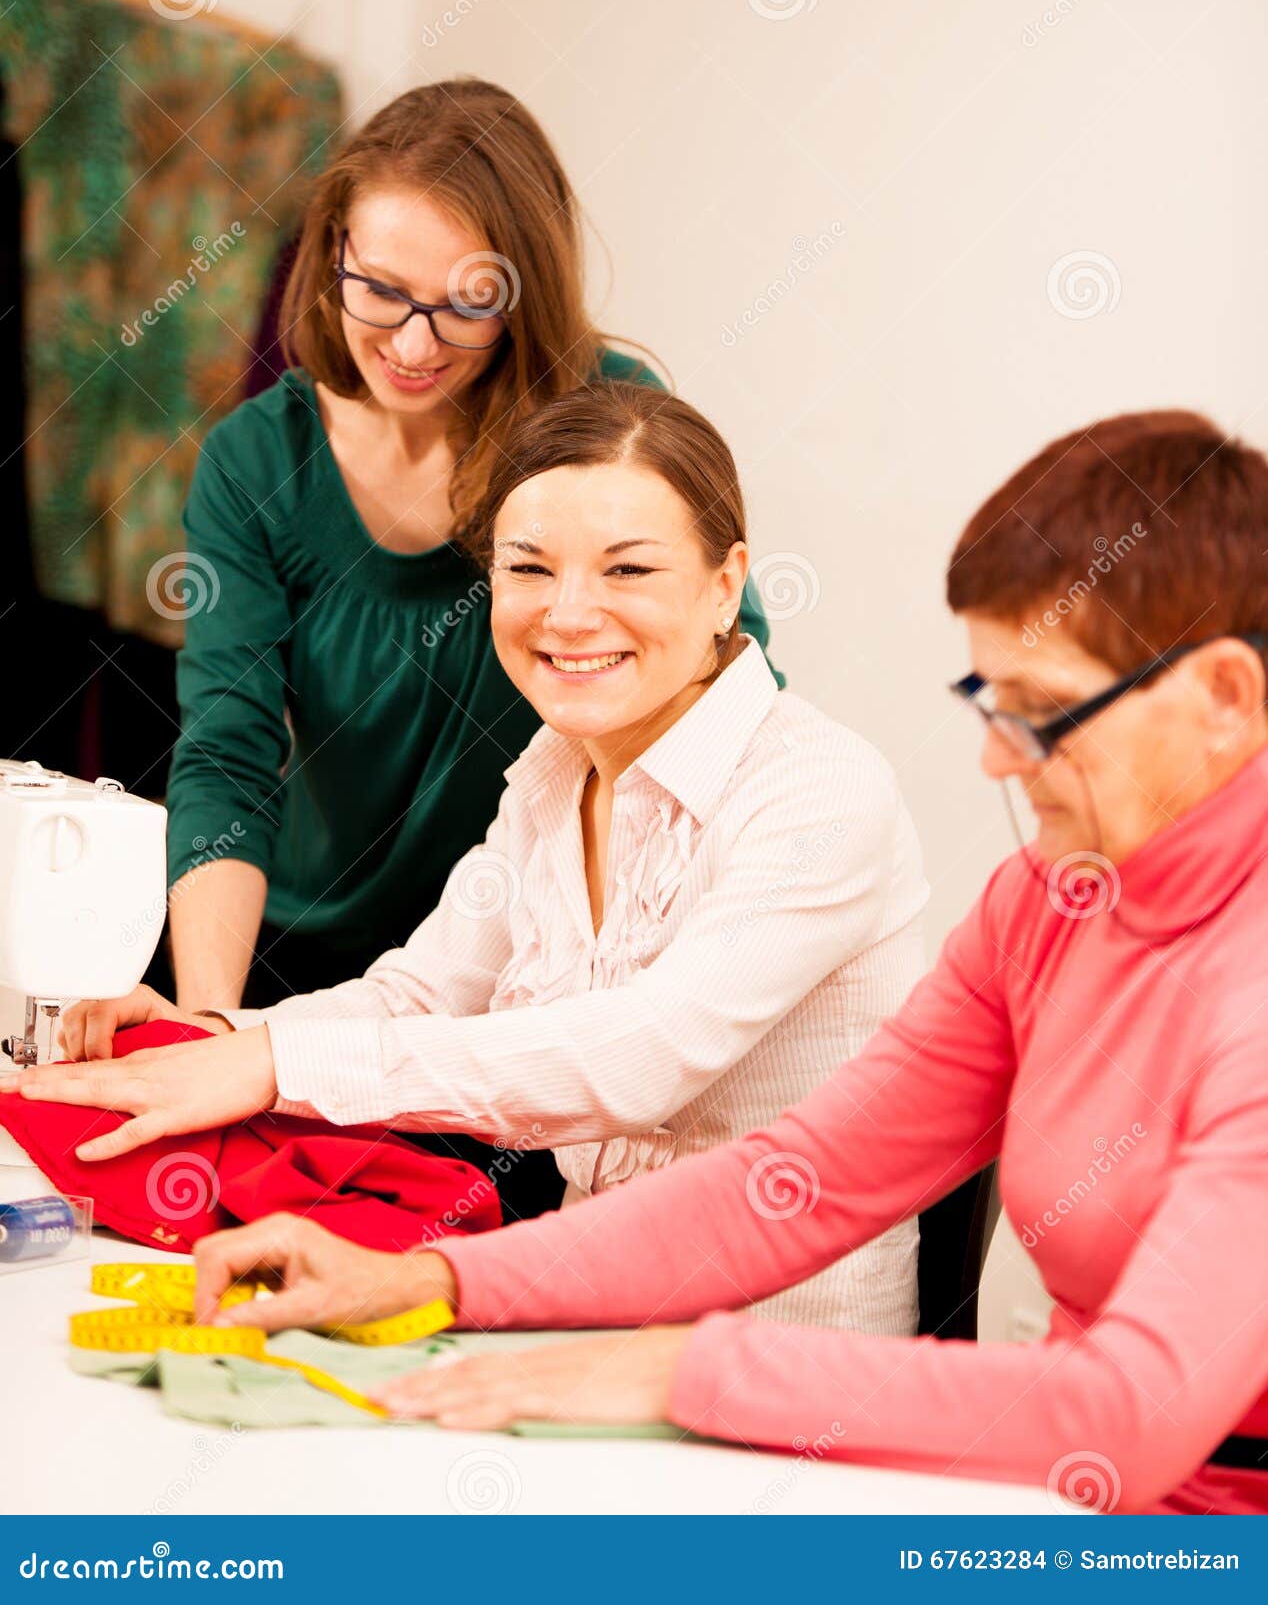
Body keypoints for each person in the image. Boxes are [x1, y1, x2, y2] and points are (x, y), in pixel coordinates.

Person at [181, 410, 1263, 1515]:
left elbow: (1126, 1416)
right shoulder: (1044, 901)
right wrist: (428, 1279)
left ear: (1225, 697)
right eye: (990, 703)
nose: (993, 755)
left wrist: (679, 1366)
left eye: (1041, 714)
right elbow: (797, 1182)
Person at [10, 383, 929, 1334]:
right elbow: (421, 992)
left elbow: (643, 1054)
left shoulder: (819, 790)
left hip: (790, 1368)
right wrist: (216, 1038)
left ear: (725, 585)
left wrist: (276, 1064)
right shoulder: (554, 769)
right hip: (579, 1325)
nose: (568, 615)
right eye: (529, 569)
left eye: (628, 571)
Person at [157, 78, 778, 1218]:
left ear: (524, 292)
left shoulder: (598, 428)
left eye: (464, 303)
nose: (411, 340)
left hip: (523, 981)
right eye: (379, 290)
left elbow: (726, 685)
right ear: (329, 253)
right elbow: (227, 753)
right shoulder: (262, 460)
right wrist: (211, 1024)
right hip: (303, 972)